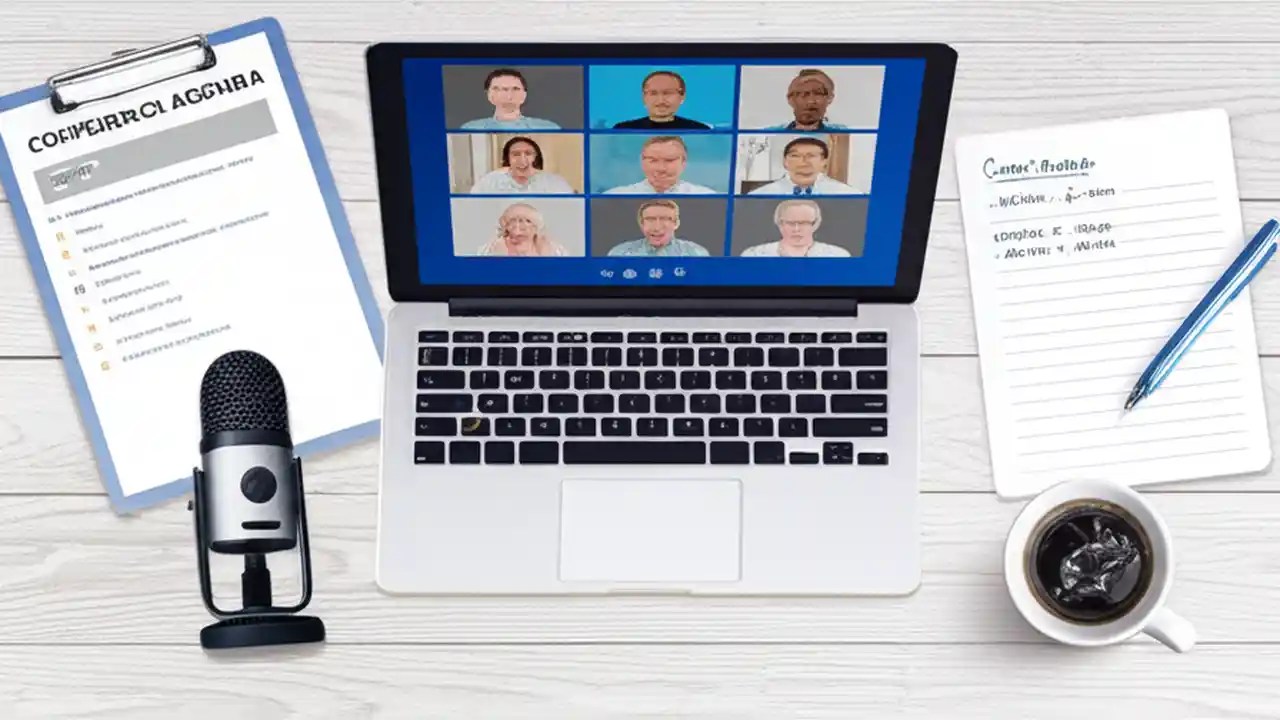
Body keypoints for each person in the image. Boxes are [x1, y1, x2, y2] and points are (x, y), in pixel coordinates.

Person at [603, 136, 716, 194]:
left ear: (684, 162)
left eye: (669, 160)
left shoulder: (708, 195)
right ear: (642, 162)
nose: (661, 169)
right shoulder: (614, 195)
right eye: (653, 160)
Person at [747, 137, 860, 195]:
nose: (804, 161)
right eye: (796, 155)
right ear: (785, 161)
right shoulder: (760, 195)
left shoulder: (846, 193)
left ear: (824, 161)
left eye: (811, 155)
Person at [740, 199, 851, 257]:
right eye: (790, 223)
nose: (796, 229)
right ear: (779, 223)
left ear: (816, 224)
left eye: (804, 223)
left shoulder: (838, 255)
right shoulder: (754, 255)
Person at [460, 69, 560, 130]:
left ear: (524, 94)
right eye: (499, 89)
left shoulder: (548, 127)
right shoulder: (470, 128)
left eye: (515, 89)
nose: (508, 95)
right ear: (488, 94)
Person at [469, 136, 574, 194]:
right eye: (516, 154)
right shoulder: (490, 181)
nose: (522, 159)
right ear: (508, 158)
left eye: (528, 153)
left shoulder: (554, 182)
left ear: (535, 156)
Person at [607, 200, 711, 257]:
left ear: (676, 223)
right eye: (650, 219)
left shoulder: (696, 253)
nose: (657, 228)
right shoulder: (620, 253)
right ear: (641, 224)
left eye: (665, 219)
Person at [612, 70, 712, 130]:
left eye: (668, 93)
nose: (661, 100)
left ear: (682, 96)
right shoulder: (623, 130)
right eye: (653, 93)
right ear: (644, 97)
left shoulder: (699, 130)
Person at [764, 69, 849, 131]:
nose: (811, 101)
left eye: (818, 93)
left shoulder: (842, 131)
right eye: (803, 94)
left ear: (830, 98)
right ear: (790, 99)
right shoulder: (770, 132)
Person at [474, 202, 569, 257]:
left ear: (536, 227)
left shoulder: (554, 249)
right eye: (513, 220)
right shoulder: (491, 248)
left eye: (527, 221)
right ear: (505, 226)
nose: (518, 225)